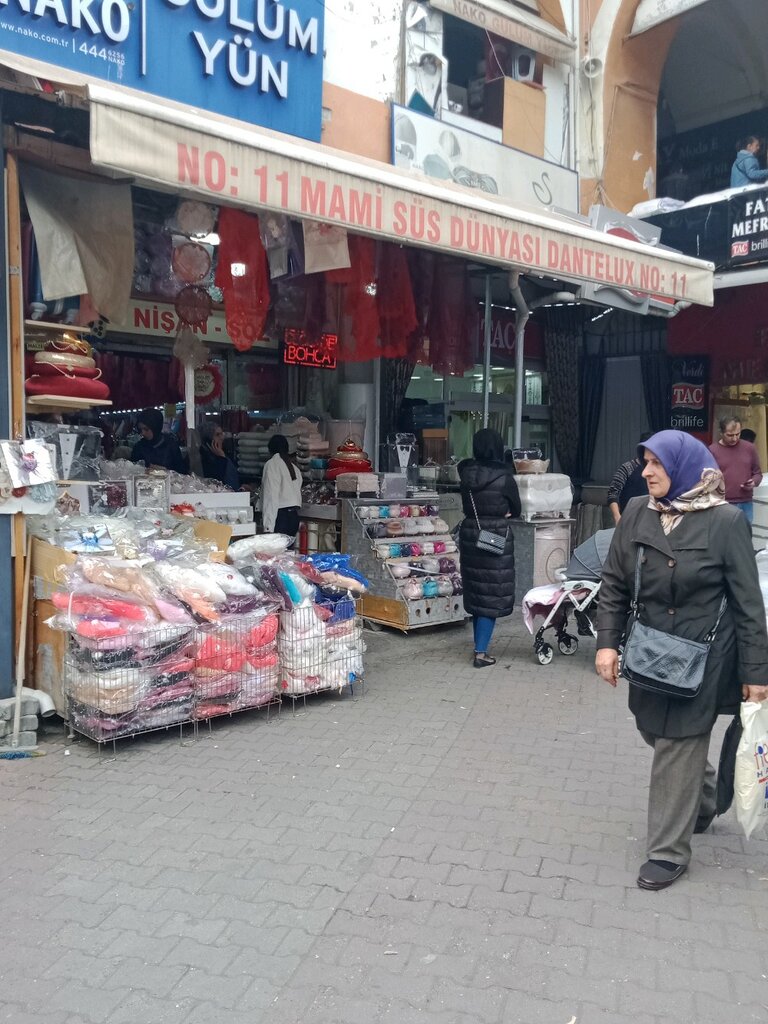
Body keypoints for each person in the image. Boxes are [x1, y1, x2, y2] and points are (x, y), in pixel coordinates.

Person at [595, 430, 768, 891]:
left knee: (678, 742)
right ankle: (704, 798)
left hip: (706, 655)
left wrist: (756, 674)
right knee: (652, 727)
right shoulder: (636, 512)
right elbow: (613, 582)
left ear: (685, 468)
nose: (646, 471)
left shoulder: (726, 521)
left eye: (656, 463)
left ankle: (668, 851)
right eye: (645, 462)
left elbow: (749, 604)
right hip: (651, 651)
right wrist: (607, 644)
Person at [458, 428, 521, 668]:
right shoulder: (505, 477)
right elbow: (516, 509)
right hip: (494, 535)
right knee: (491, 594)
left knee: (477, 591)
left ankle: (479, 646)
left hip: (470, 533)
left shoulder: (465, 473)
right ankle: (481, 653)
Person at [708, 416, 762, 522]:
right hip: (722, 503)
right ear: (721, 432)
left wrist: (754, 482)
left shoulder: (749, 448)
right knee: (724, 537)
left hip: (745, 503)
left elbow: (758, 473)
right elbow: (707, 479)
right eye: (730, 435)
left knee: (744, 536)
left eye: (738, 434)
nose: (734, 438)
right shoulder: (712, 451)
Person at [261, 434, 303, 537]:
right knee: (288, 552)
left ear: (270, 449)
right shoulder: (294, 468)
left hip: (280, 518)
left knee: (276, 552)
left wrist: (268, 527)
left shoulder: (271, 465)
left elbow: (271, 496)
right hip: (293, 517)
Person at [607, 432, 652, 524]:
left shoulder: (660, 470)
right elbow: (613, 494)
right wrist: (617, 517)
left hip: (651, 520)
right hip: (629, 520)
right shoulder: (628, 468)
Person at [131, 408, 185, 473]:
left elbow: (182, 473)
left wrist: (166, 471)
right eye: (140, 429)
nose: (142, 433)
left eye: (146, 429)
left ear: (155, 427)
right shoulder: (138, 447)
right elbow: (132, 471)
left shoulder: (171, 446)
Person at [199, 420, 240, 490]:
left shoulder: (225, 453)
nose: (222, 438)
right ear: (208, 439)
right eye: (217, 435)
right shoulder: (203, 458)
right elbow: (219, 481)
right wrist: (222, 459)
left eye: (222, 434)